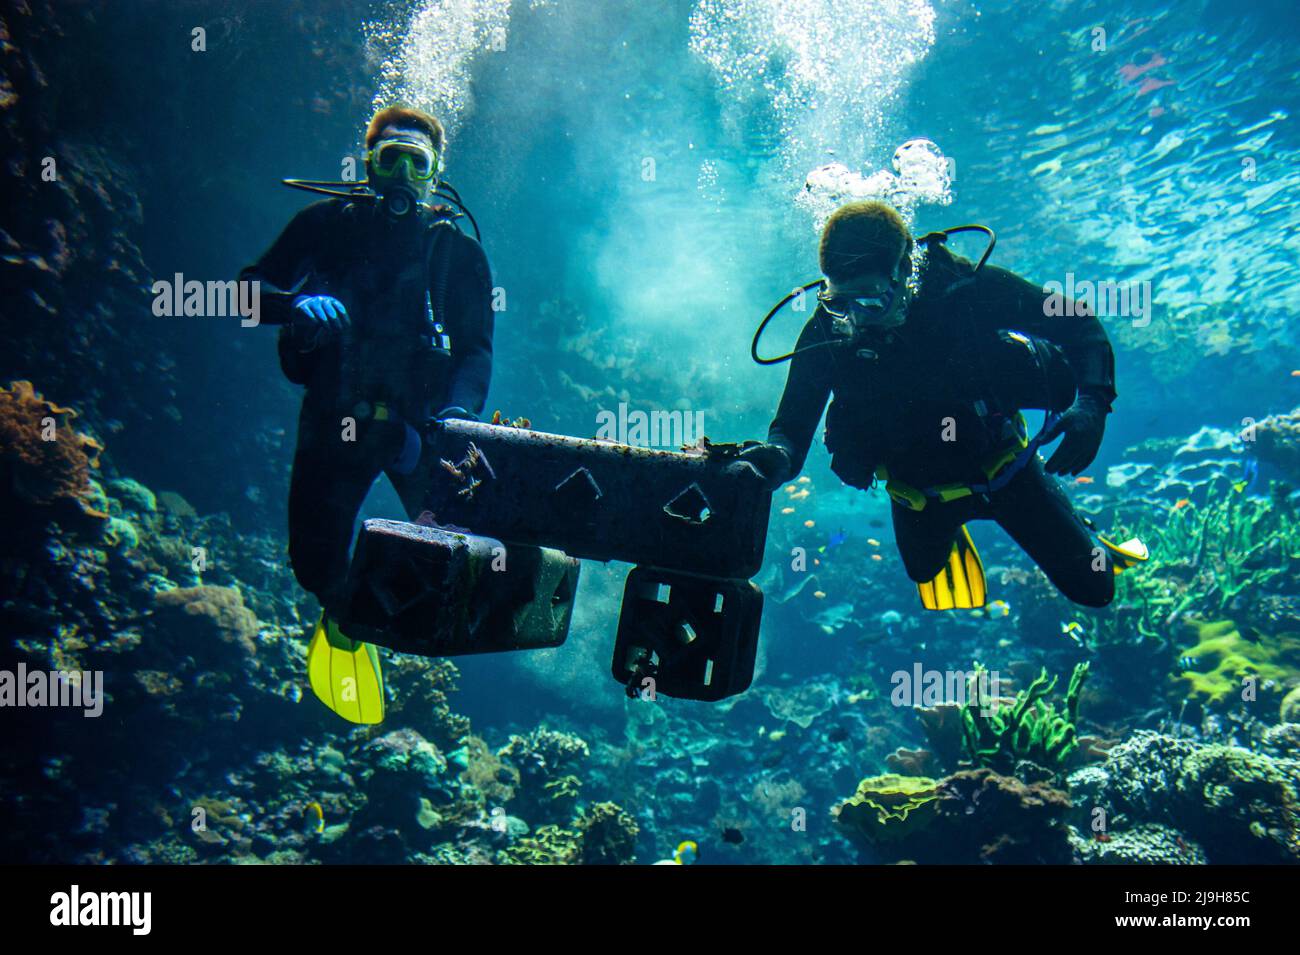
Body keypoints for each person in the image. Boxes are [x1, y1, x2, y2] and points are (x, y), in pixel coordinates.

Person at [741, 200, 1145, 611]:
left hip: (1007, 469)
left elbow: (1077, 322)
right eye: (839, 302)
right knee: (922, 571)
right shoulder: (828, 329)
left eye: (870, 303)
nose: (856, 320)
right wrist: (775, 459)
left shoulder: (968, 291)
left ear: (904, 271)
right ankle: (955, 529)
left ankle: (1084, 530)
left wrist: (1093, 406)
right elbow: (792, 426)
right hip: (918, 491)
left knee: (1095, 591)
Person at [240, 105, 494, 721]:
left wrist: (457, 418)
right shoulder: (325, 226)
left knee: (464, 559)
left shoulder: (456, 255)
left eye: (417, 162)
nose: (402, 174)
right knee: (313, 567)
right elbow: (246, 290)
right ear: (368, 165)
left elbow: (476, 349)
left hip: (418, 435)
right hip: (335, 420)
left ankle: (402, 627)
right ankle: (345, 610)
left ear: (436, 177)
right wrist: (295, 307)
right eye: (390, 158)